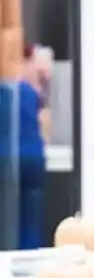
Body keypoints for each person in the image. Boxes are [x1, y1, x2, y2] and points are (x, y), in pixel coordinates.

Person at [17, 45, 49, 249]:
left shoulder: (10, 89)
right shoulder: (29, 92)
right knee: (30, 219)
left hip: (11, 158)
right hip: (34, 157)